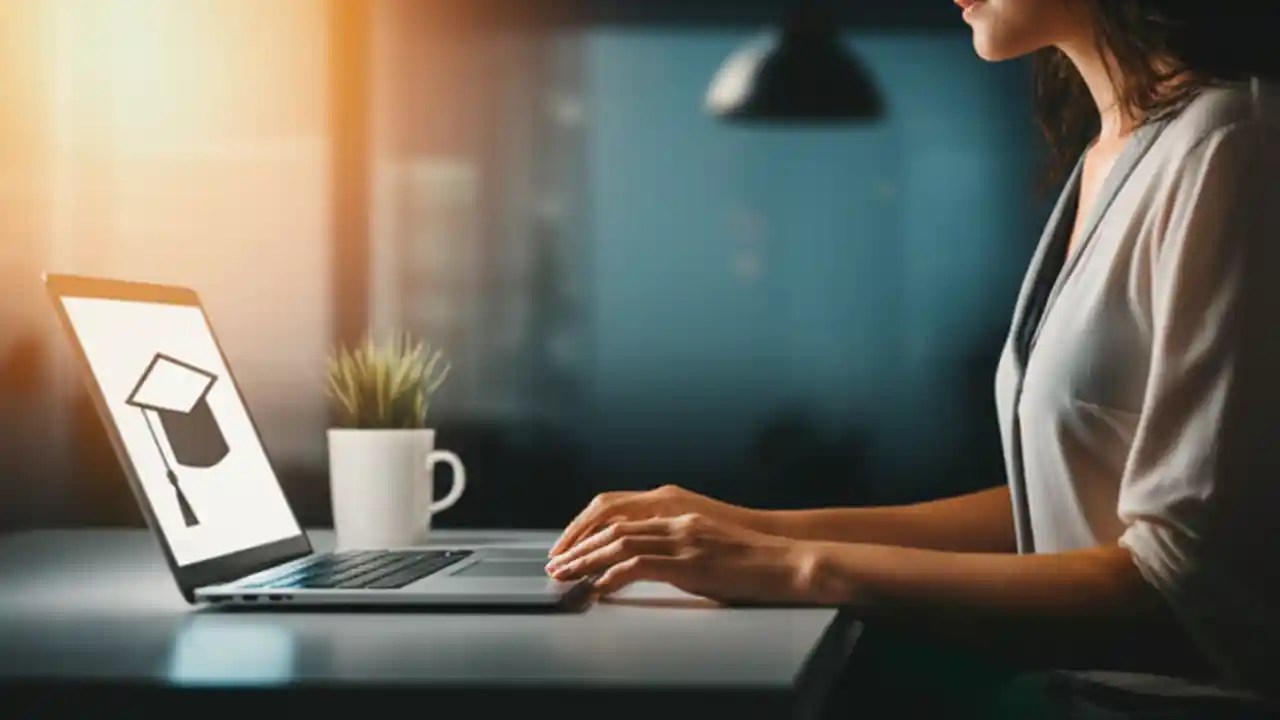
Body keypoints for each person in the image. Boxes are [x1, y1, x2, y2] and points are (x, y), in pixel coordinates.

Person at [546, 0, 1280, 711]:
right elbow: (1064, 504)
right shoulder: (1111, 149)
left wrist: (786, 564)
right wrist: (745, 526)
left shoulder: (1229, 143)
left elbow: (1178, 590)